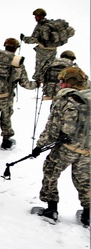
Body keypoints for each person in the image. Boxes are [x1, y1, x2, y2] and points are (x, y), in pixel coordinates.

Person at [32, 66, 90, 227]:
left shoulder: (65, 100)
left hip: (67, 149)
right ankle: (88, 214)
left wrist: (39, 146)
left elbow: (52, 129)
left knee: (51, 171)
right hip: (88, 151)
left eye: (62, 81)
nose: (60, 84)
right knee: (85, 181)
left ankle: (51, 210)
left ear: (69, 82)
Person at [0, 37, 37, 153]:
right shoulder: (16, 61)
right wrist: (36, 84)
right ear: (15, 48)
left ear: (5, 45)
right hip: (6, 96)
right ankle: (6, 141)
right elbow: (25, 83)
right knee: (6, 117)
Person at [21, 8, 60, 84]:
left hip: (42, 51)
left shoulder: (40, 26)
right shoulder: (51, 24)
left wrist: (24, 38)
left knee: (40, 71)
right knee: (50, 68)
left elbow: (34, 39)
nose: (35, 18)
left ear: (41, 16)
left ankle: (39, 86)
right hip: (53, 50)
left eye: (36, 16)